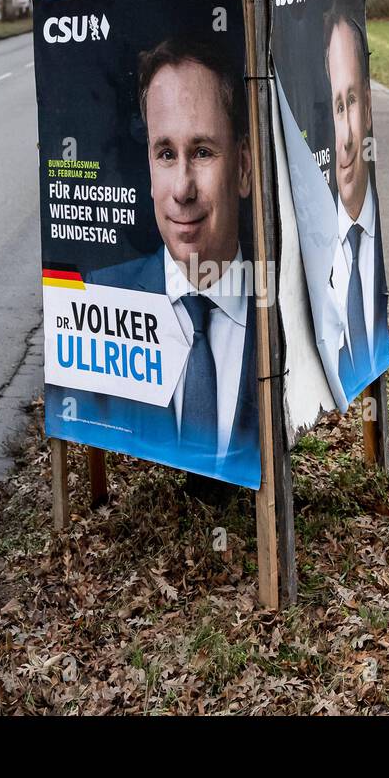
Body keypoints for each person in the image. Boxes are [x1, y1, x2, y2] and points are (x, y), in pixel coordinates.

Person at [52, 36, 259, 486]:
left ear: (243, 168)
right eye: (166, 154)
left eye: (202, 152)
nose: (182, 189)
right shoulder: (100, 301)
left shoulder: (284, 307)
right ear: (148, 167)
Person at [324, 11, 388, 397]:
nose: (346, 137)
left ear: (367, 105)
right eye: (335, 107)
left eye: (351, 101)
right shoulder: (313, 247)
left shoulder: (376, 231)